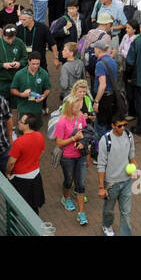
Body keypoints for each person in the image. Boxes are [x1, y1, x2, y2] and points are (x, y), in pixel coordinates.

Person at [97, 113, 138, 236]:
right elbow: (101, 165)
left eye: (125, 125)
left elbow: (132, 155)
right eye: (120, 126)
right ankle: (106, 225)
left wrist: (134, 167)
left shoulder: (129, 136)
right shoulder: (105, 140)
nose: (123, 128)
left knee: (126, 212)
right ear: (113, 126)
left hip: (126, 181)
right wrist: (101, 187)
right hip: (111, 183)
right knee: (109, 210)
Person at [53, 92, 91, 224]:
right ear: (69, 107)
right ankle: (65, 197)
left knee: (80, 184)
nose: (78, 110)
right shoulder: (62, 122)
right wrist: (74, 139)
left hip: (80, 156)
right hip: (67, 157)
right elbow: (59, 143)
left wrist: (84, 143)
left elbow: (86, 132)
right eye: (76, 108)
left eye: (79, 107)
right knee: (68, 180)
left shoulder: (80, 116)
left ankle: (81, 213)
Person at [7, 111, 46, 212]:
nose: (18, 122)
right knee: (34, 206)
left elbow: (11, 162)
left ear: (27, 125)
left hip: (20, 178)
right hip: (35, 174)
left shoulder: (19, 142)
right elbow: (42, 151)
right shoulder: (40, 136)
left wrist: (7, 173)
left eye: (21, 122)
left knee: (19, 207)